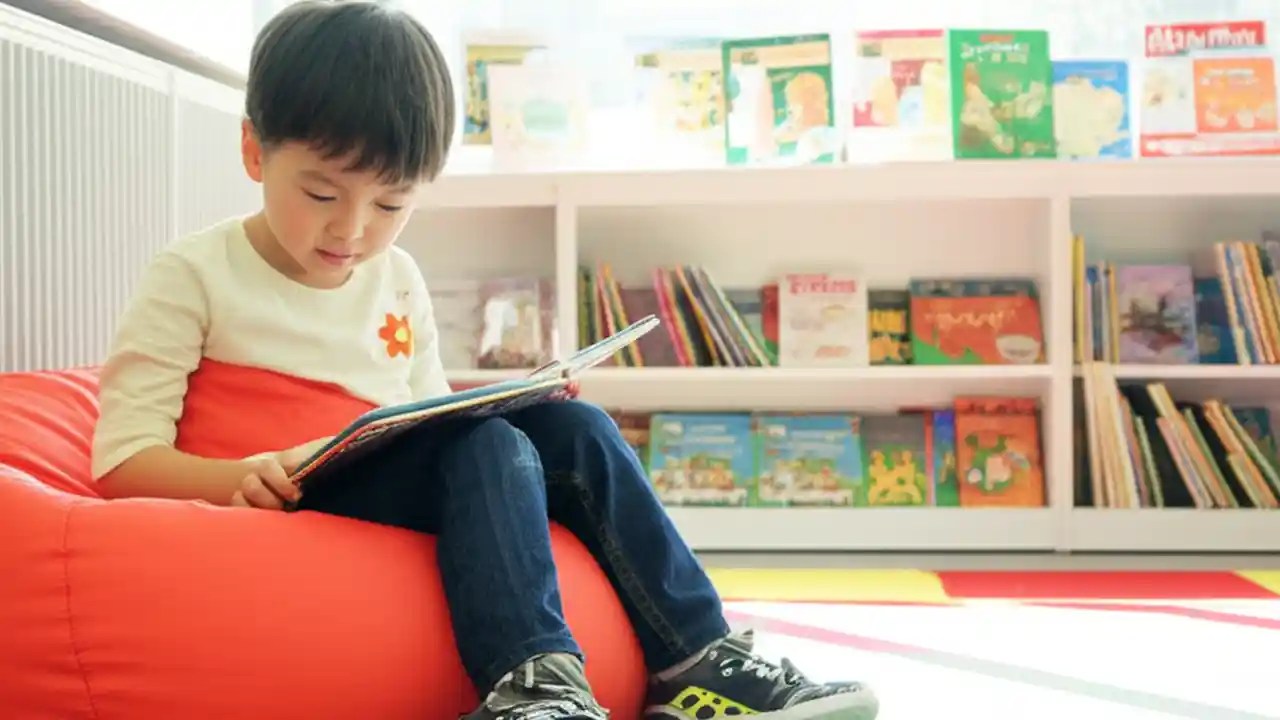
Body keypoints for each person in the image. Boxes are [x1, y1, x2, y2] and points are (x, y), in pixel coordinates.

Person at [90, 2, 879, 719]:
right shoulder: (193, 274)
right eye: (323, 194)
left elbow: (428, 416)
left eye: (392, 204)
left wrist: (513, 402)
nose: (354, 231)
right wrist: (237, 478)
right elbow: (123, 462)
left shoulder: (396, 279)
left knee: (574, 426)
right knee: (493, 446)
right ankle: (528, 687)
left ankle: (701, 661)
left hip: (380, 471)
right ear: (253, 151)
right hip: (287, 496)